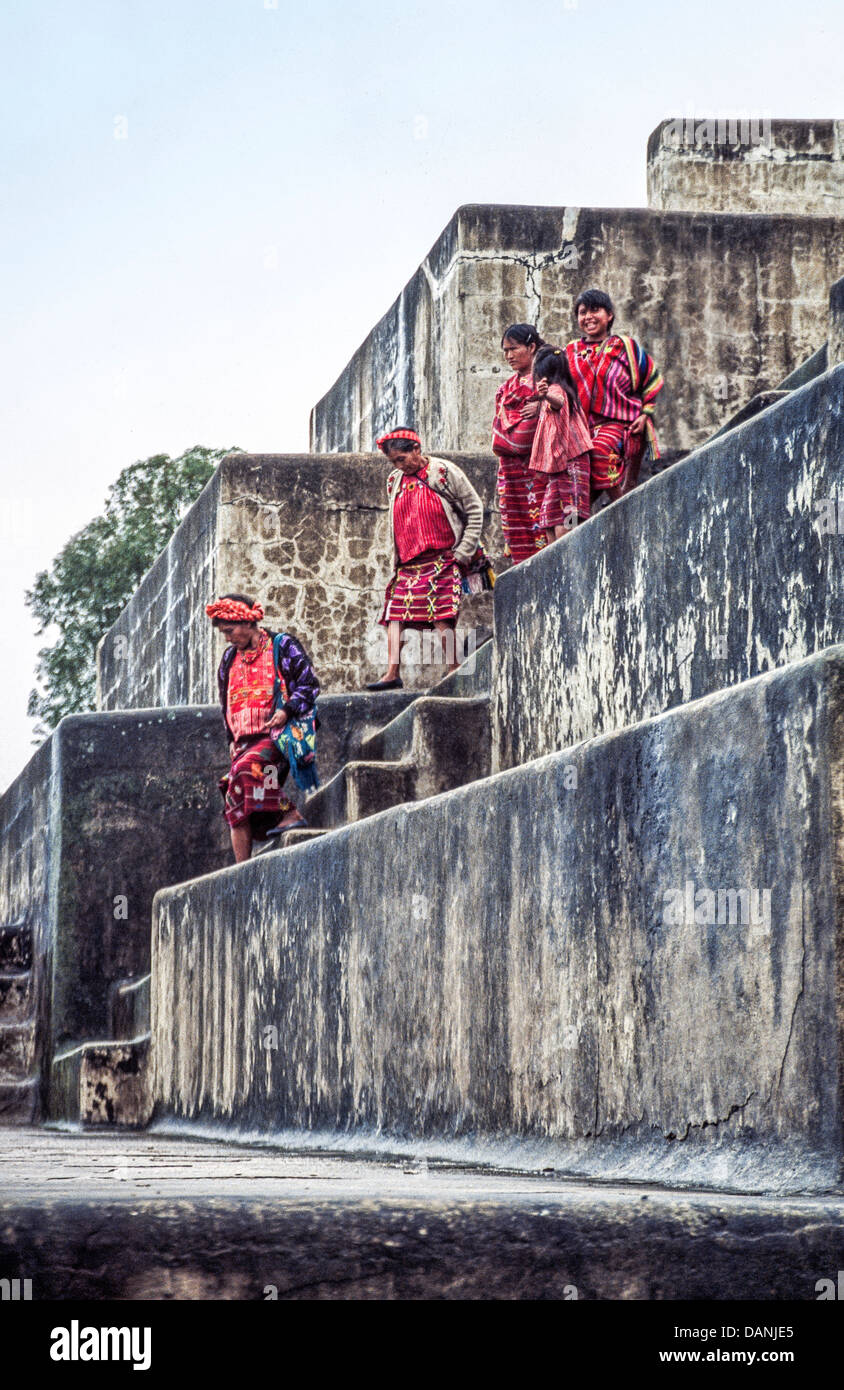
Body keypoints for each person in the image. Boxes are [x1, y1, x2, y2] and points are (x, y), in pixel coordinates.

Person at [366, 428, 484, 690]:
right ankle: (392, 674)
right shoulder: (394, 481)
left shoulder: (444, 473)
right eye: (394, 461)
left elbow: (474, 509)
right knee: (394, 616)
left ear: (416, 450)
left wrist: (462, 552)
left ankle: (454, 669)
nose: (398, 466)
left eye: (401, 459)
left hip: (442, 559)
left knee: (443, 617)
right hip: (408, 565)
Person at [207, 594, 319, 863]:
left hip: (278, 736)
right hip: (244, 742)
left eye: (230, 631)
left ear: (247, 622)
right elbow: (226, 703)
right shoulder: (228, 660)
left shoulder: (282, 645)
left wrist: (285, 710)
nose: (228, 638)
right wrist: (230, 738)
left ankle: (290, 812)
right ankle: (241, 869)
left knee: (248, 771)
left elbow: (309, 684)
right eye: (224, 633)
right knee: (232, 791)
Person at [565, 289, 664, 503]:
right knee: (573, 477)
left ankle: (622, 503)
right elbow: (558, 386)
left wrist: (645, 415)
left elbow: (652, 379)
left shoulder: (625, 347)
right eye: (583, 312)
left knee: (598, 451)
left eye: (595, 310)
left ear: (609, 315)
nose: (588, 316)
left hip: (622, 426)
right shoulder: (570, 351)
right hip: (581, 428)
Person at [492, 323, 549, 564]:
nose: (509, 356)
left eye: (514, 349)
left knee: (547, 528)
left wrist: (541, 405)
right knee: (519, 534)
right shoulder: (505, 389)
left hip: (540, 468)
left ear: (532, 346)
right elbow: (497, 431)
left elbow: (558, 408)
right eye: (505, 351)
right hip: (512, 474)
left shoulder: (547, 379)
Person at [528, 345, 594, 542]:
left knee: (569, 516)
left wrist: (545, 395)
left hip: (571, 464)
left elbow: (557, 402)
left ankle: (572, 548)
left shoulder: (557, 392)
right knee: (549, 517)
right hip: (560, 469)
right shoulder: (563, 390)